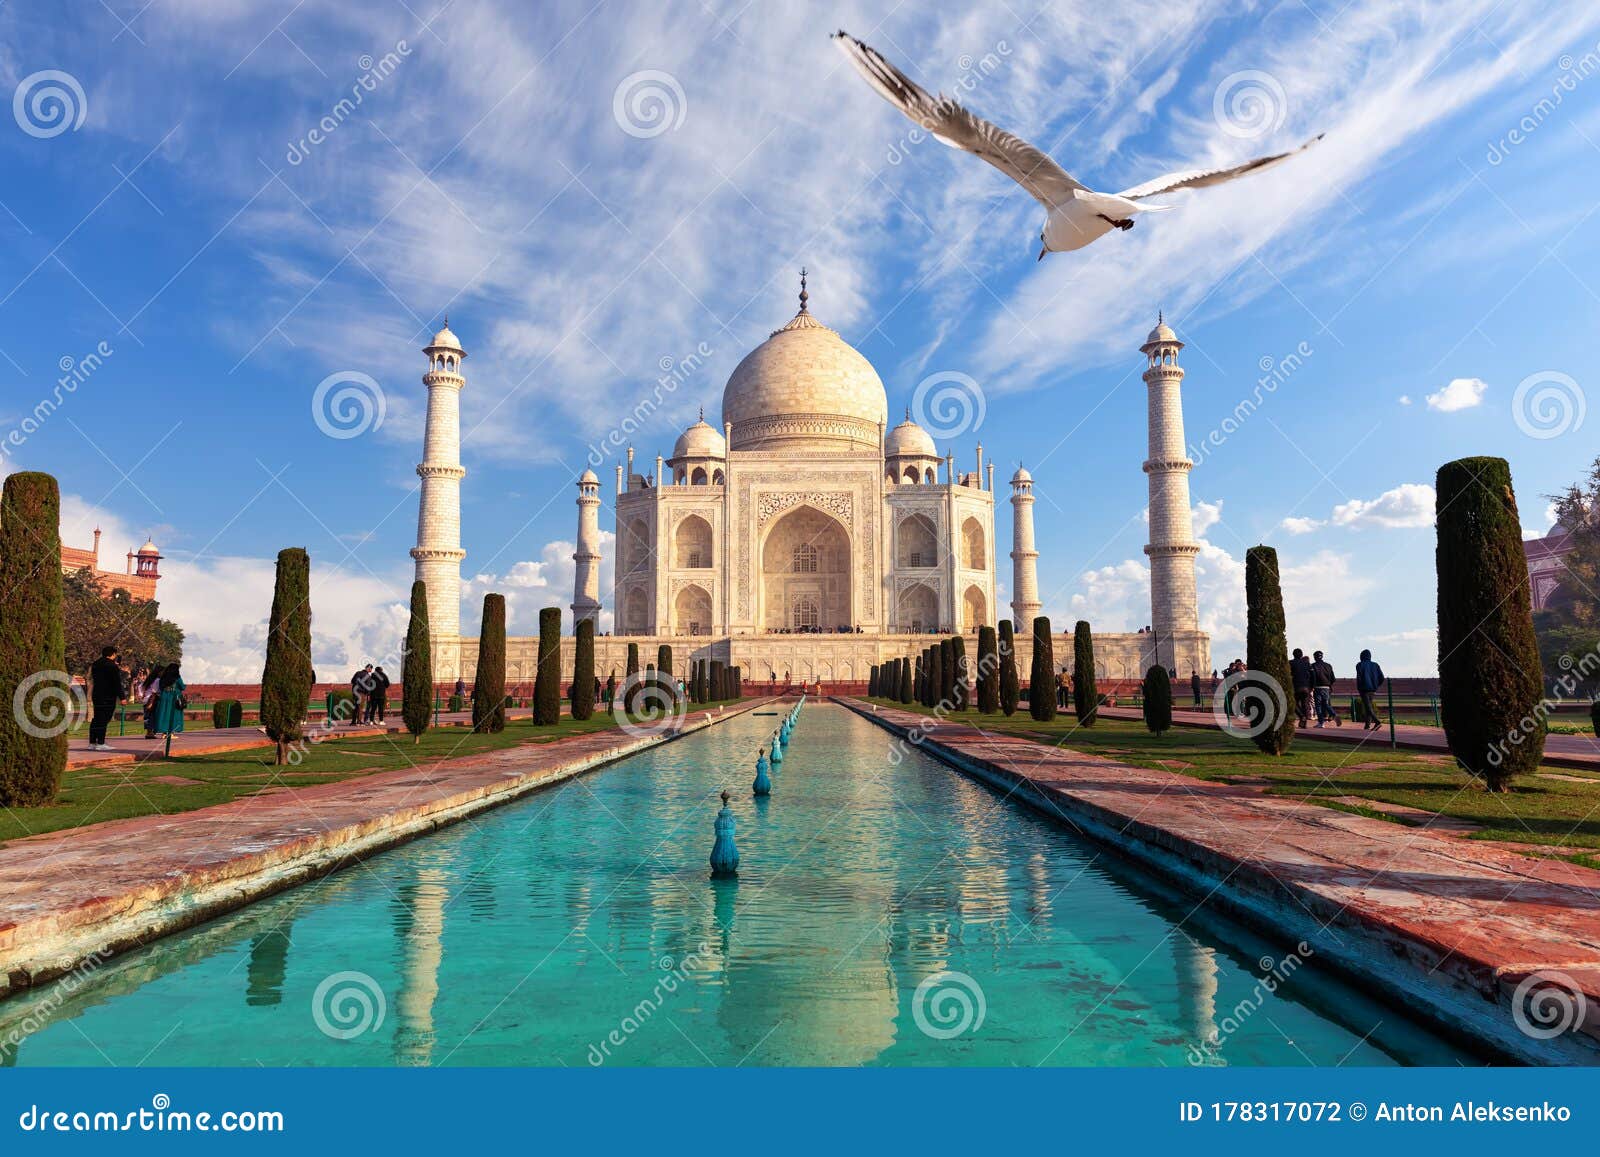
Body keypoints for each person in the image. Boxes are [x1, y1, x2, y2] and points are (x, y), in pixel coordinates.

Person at [87, 646, 126, 751]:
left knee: (96, 718)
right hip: (108, 695)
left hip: (97, 694)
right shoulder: (112, 666)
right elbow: (116, 683)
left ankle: (92, 742)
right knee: (104, 719)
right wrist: (122, 697)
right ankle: (101, 743)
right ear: (113, 654)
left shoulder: (95, 664)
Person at [151, 662, 186, 741]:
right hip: (174, 698)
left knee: (164, 715)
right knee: (173, 715)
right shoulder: (177, 677)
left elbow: (160, 687)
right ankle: (171, 733)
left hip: (164, 697)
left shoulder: (163, 677)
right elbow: (182, 687)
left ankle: (164, 733)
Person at [1355, 649, 1385, 730]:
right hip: (1373, 689)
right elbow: (1382, 678)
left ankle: (1377, 722)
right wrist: (1376, 685)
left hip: (1364, 689)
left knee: (1368, 707)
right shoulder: (1375, 665)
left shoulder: (1359, 665)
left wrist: (1359, 688)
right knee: (1368, 706)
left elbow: (1359, 678)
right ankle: (1367, 725)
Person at [1311, 651, 1340, 727]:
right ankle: (1333, 714)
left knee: (1318, 705)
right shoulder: (1328, 666)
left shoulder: (1313, 666)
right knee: (1325, 704)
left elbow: (1312, 678)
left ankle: (1321, 723)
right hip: (1326, 688)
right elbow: (1333, 678)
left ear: (1315, 657)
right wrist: (1329, 685)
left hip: (1317, 687)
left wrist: (1311, 686)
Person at [1289, 648, 1313, 727]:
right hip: (1306, 687)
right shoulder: (1307, 663)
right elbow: (1313, 675)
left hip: (1296, 686)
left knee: (1293, 703)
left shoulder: (1291, 663)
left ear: (1293, 654)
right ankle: (1304, 723)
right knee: (1304, 704)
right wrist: (1312, 686)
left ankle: (1302, 716)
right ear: (1302, 655)